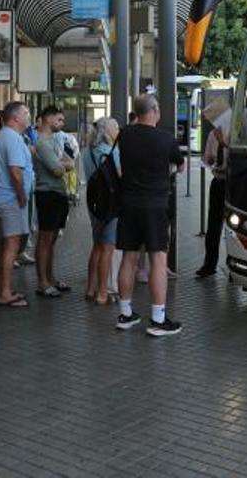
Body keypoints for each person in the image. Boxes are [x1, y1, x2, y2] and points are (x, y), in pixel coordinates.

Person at [114, 94, 184, 336]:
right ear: (154, 110)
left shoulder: (125, 135)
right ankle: (157, 319)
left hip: (129, 204)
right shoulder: (165, 138)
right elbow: (181, 164)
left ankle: (125, 314)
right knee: (158, 260)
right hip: (155, 205)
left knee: (128, 259)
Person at [0, 101, 34, 307]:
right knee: (11, 245)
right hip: (10, 198)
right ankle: (5, 293)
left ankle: (1, 288)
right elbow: (15, 171)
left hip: (1, 196)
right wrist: (21, 195)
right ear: (15, 118)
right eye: (26, 113)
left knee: (3, 245)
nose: (29, 116)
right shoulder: (13, 139)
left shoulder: (3, 135)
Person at [31, 106, 72, 297]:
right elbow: (57, 170)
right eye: (59, 119)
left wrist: (60, 163)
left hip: (58, 193)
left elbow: (69, 162)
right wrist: (60, 164)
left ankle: (51, 278)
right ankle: (42, 282)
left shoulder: (54, 141)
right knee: (45, 238)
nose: (62, 123)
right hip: (47, 194)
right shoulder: (42, 144)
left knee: (53, 239)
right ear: (48, 119)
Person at [82, 117, 120, 304]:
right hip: (110, 205)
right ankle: (103, 293)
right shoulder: (111, 152)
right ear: (107, 131)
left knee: (96, 246)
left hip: (94, 204)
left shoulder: (88, 152)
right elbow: (121, 176)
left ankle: (90, 289)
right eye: (115, 128)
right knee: (107, 248)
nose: (118, 130)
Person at [197, 103, 232, 278]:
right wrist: (209, 160)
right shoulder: (212, 135)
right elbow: (207, 159)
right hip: (218, 181)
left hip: (232, 183)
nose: (213, 124)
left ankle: (234, 265)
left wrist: (223, 143)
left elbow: (238, 156)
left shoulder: (236, 133)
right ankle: (209, 264)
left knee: (233, 226)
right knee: (213, 225)